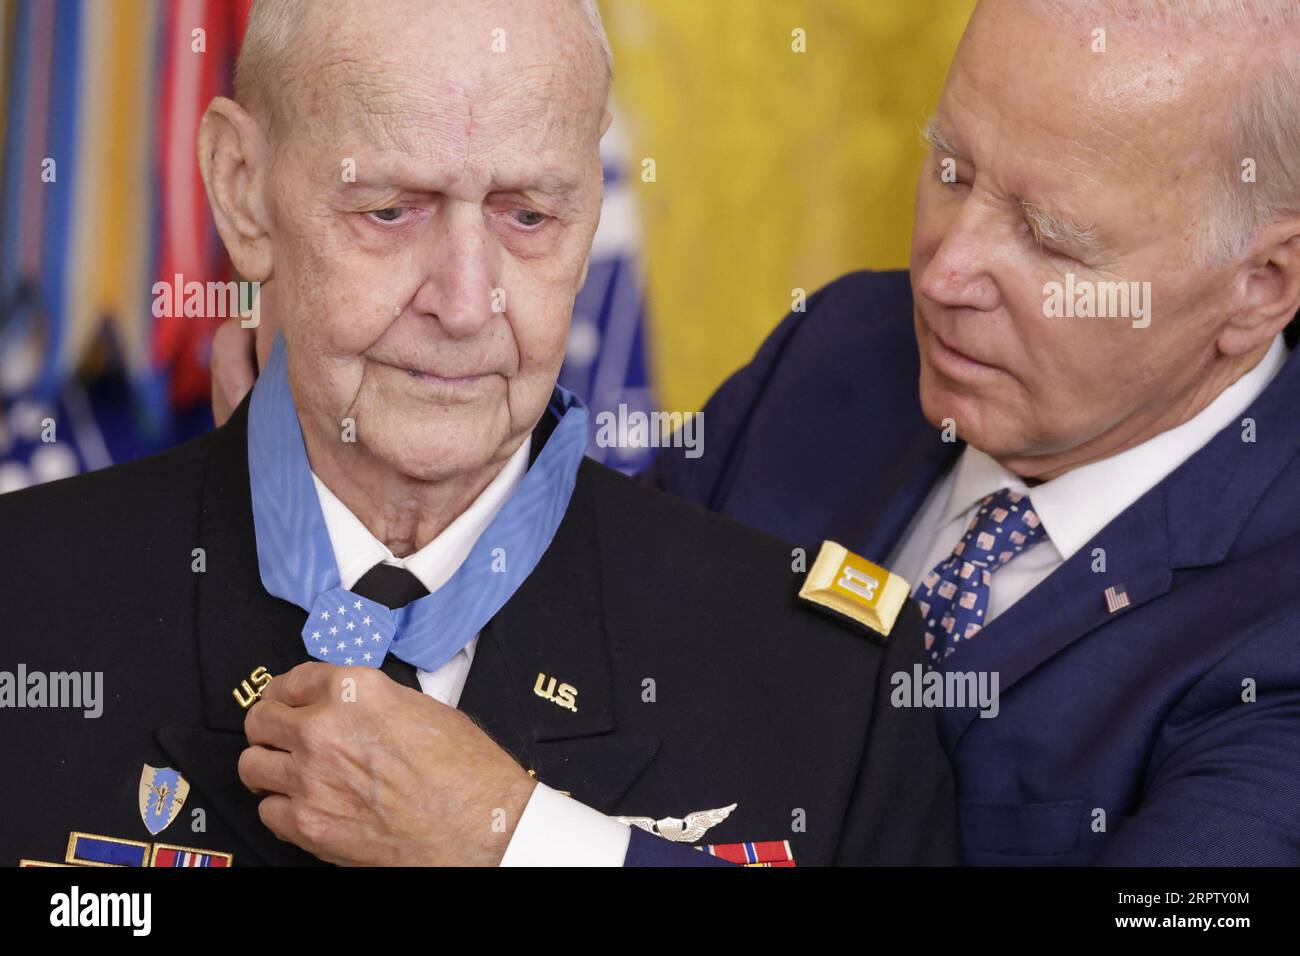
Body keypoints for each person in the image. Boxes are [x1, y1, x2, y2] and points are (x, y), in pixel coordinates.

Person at [0, 0, 955, 868]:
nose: (466, 304)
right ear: (243, 189)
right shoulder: (24, 613)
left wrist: (516, 844)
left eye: (529, 216)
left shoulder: (828, 683)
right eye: (389, 211)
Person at [645, 0, 1300, 864]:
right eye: (951, 172)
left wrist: (530, 838)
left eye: (1048, 239)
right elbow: (574, 669)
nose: (944, 273)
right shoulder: (835, 350)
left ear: (1259, 285)